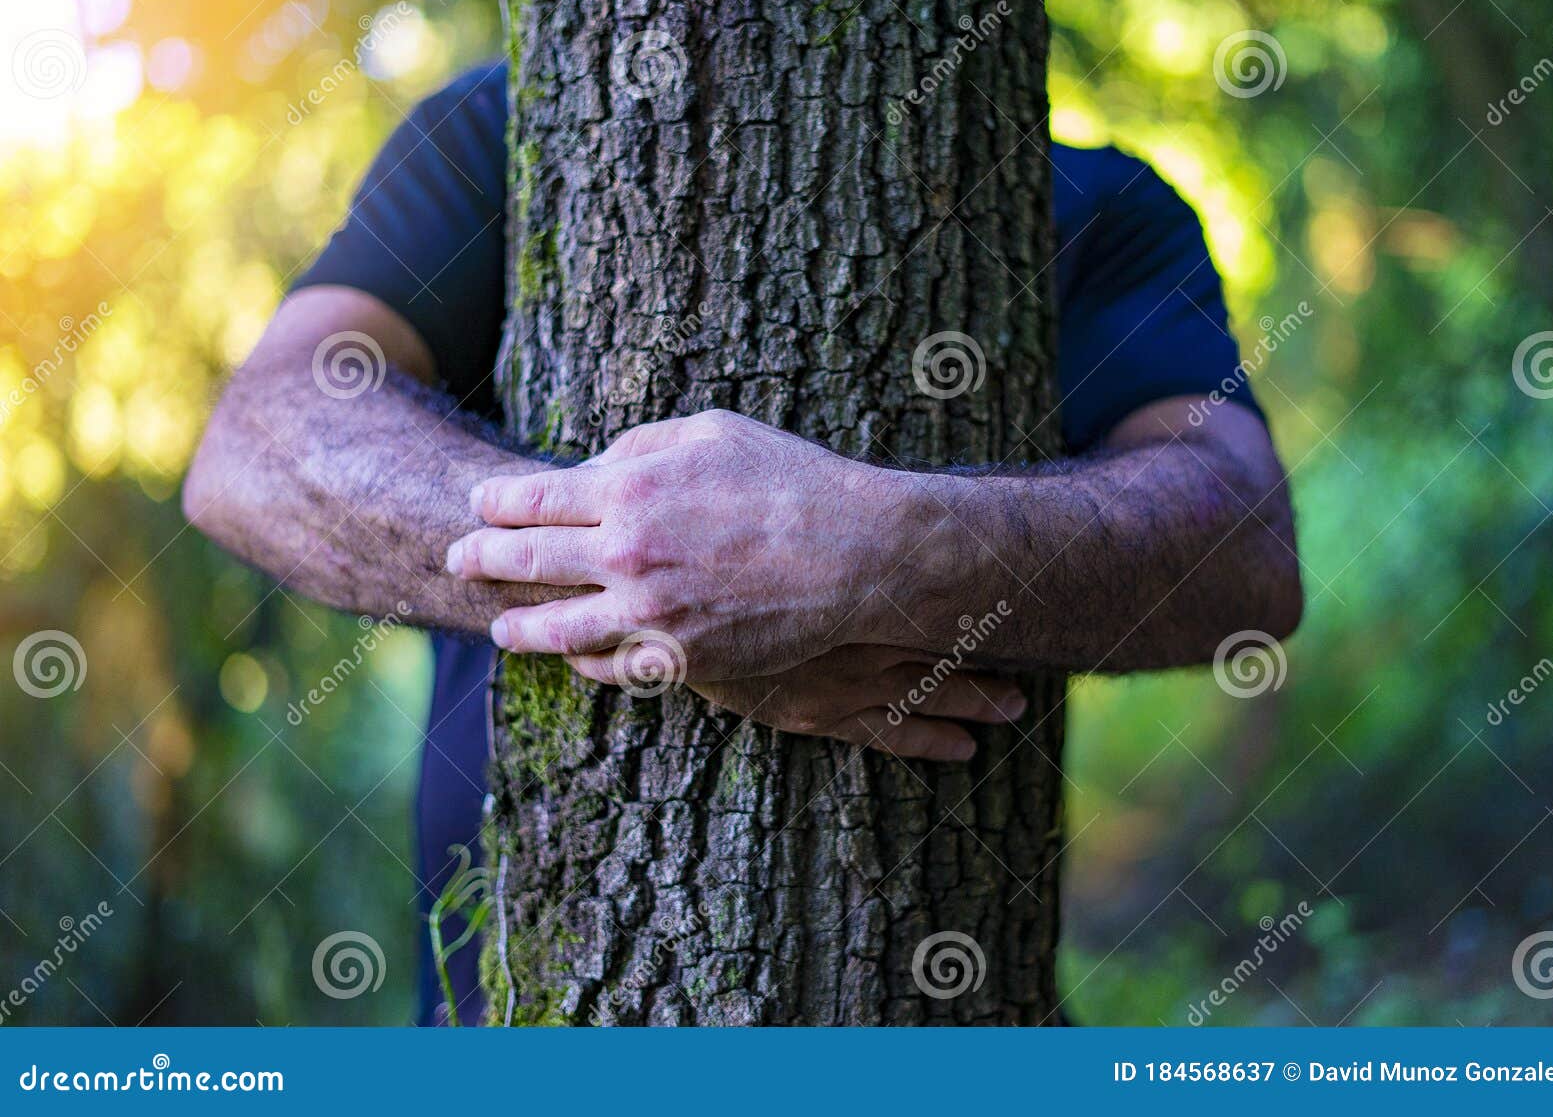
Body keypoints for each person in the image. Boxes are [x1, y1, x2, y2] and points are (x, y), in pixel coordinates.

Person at [183, 61, 1302, 1024]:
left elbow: (1243, 545)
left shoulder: (1103, 207)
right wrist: (642, 574)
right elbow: (257, 445)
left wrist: (874, 556)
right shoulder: (503, 133)